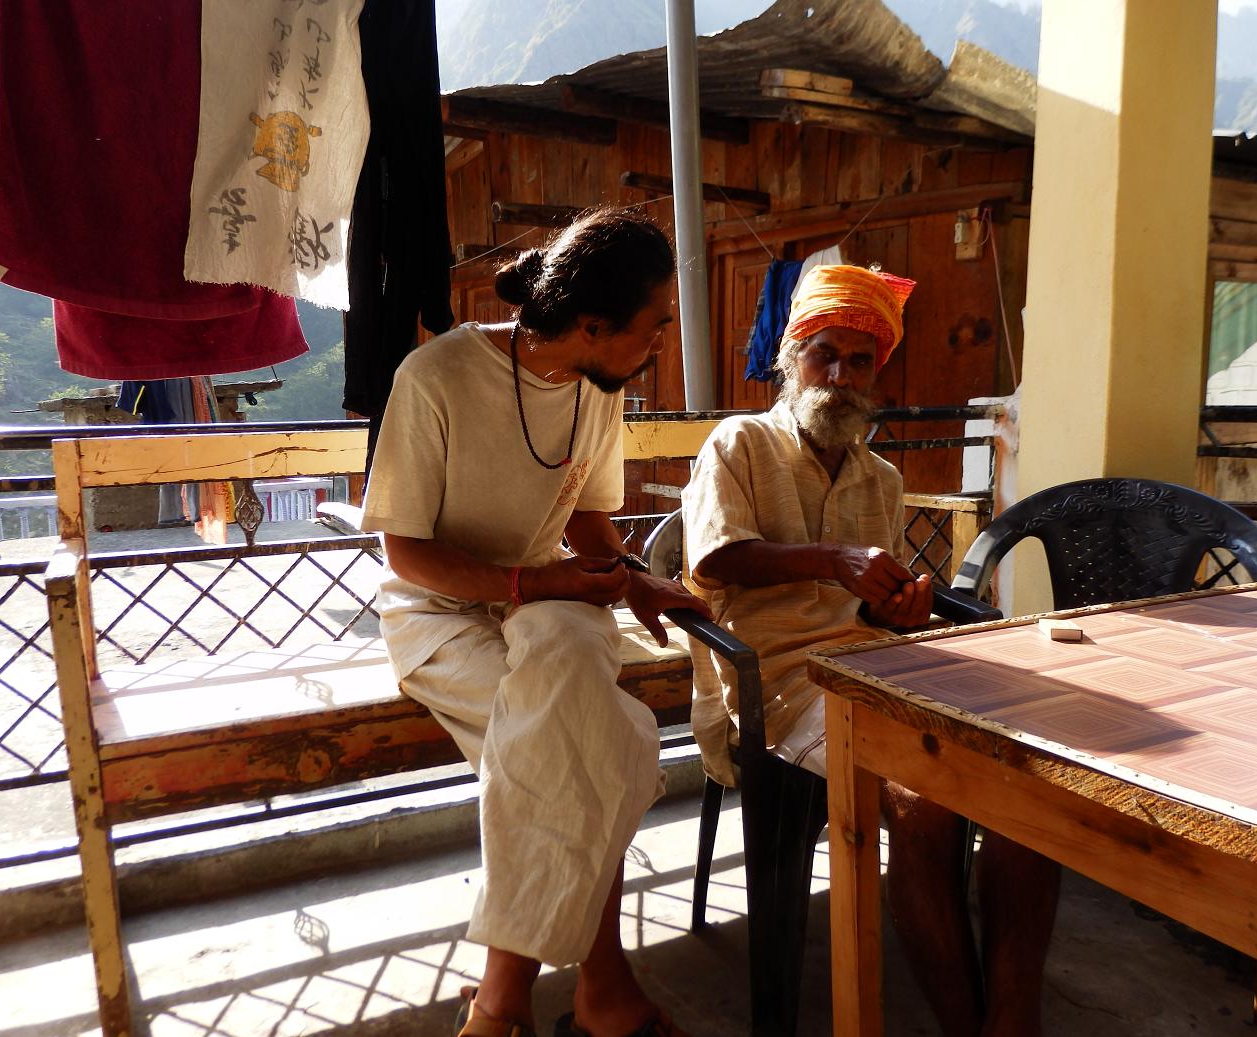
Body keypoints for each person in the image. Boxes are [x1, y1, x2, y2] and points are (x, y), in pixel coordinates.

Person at [680, 264, 1061, 1037]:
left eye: (860, 361)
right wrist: (832, 558)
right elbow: (715, 562)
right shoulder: (739, 444)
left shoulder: (877, 476)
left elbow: (874, 606)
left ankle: (1010, 1019)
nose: (841, 375)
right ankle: (963, 1022)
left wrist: (902, 606)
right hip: (778, 682)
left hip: (869, 664)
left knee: (1027, 782)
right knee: (923, 800)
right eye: (825, 354)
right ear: (790, 356)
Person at [361, 207, 708, 1037]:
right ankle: (595, 988)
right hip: (437, 613)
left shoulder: (595, 386)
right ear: (591, 324)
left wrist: (630, 579)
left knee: (567, 719)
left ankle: (504, 1000)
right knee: (600, 741)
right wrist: (527, 579)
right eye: (653, 326)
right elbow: (405, 552)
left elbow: (589, 515)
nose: (660, 343)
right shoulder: (435, 377)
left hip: (554, 594)